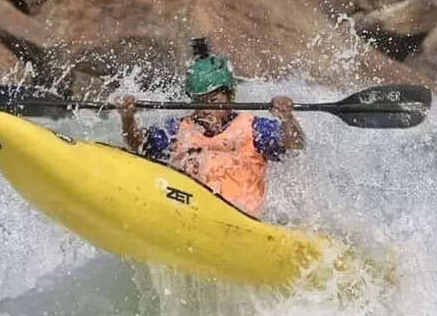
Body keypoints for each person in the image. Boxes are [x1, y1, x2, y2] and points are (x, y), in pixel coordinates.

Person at [118, 42, 305, 217]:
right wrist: (128, 118)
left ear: (230, 95)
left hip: (242, 220)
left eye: (213, 101)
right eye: (199, 102)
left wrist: (287, 119)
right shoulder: (177, 130)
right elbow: (139, 145)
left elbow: (296, 144)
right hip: (189, 215)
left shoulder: (255, 128)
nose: (206, 109)